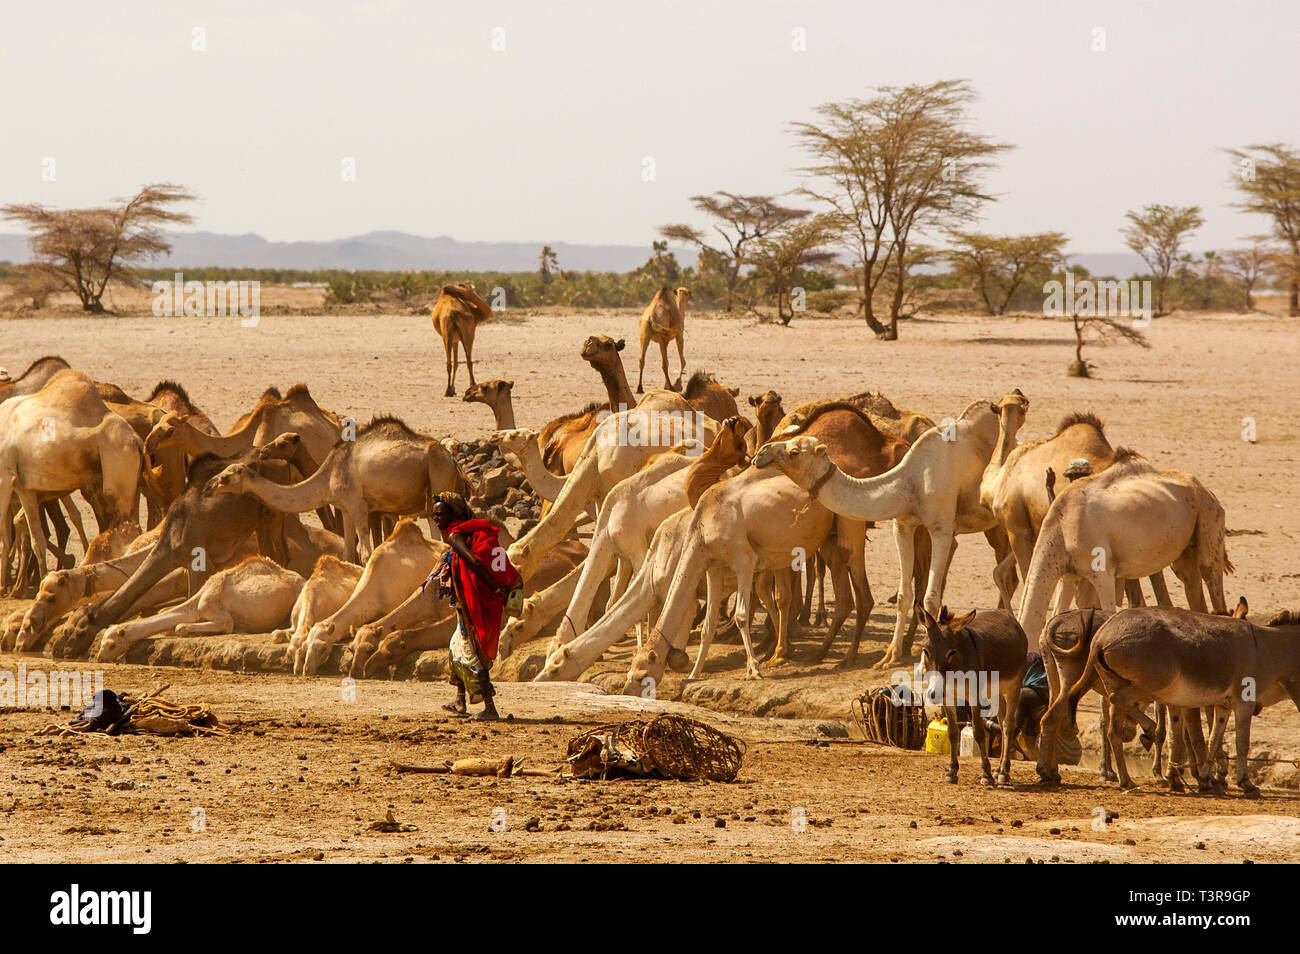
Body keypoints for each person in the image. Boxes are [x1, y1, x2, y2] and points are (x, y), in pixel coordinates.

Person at [427, 492, 520, 721]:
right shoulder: (466, 531)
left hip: (475, 600)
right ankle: (459, 700)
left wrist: (494, 588)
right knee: (456, 646)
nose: (435, 518)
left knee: (471, 651)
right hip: (466, 601)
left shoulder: (456, 535)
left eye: (440, 514)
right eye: (434, 514)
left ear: (453, 514)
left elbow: (474, 562)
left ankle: (490, 708)